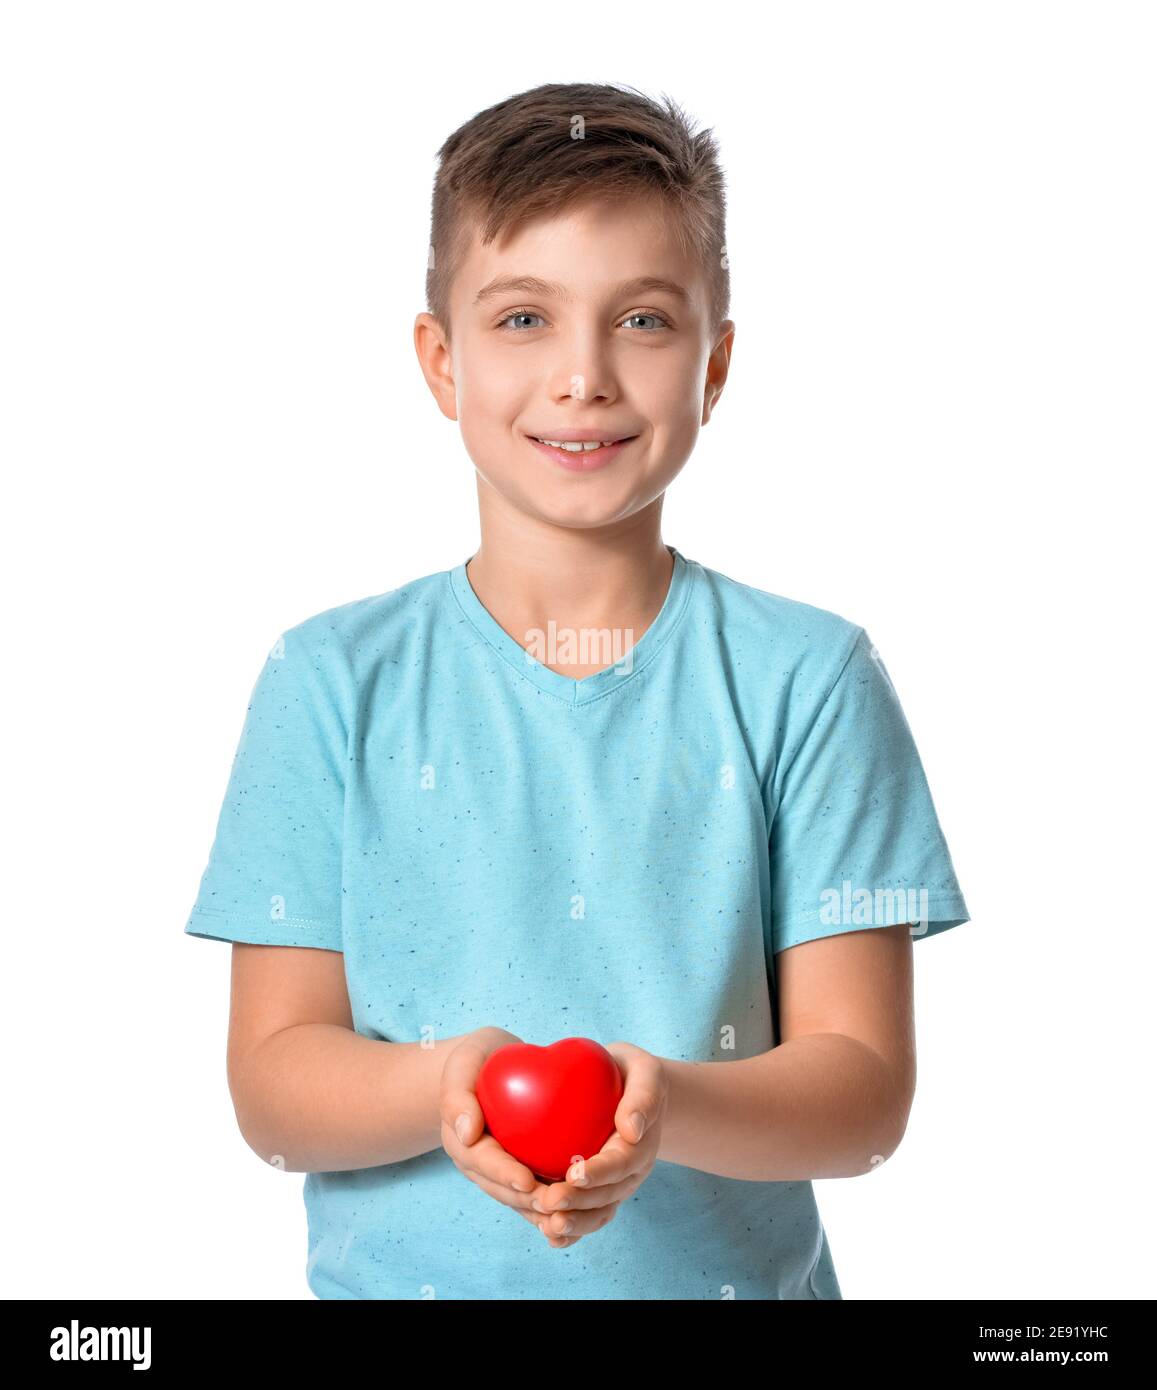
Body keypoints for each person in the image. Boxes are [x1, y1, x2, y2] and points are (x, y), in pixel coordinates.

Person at [184, 81, 970, 1300]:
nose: (583, 376)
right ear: (440, 362)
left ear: (714, 366)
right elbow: (273, 1086)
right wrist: (453, 1081)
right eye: (522, 320)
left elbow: (862, 1094)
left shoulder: (811, 679)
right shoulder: (327, 683)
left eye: (644, 320)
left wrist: (661, 1105)